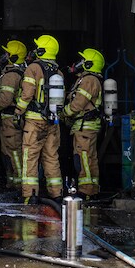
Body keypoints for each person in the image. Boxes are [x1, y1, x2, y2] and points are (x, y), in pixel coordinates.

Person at [15, 34, 64, 202]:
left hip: (35, 121)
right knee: (51, 157)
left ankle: (30, 195)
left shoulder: (33, 68)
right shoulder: (58, 72)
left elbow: (27, 94)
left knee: (30, 156)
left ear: (42, 51)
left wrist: (18, 111)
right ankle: (56, 193)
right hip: (53, 120)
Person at [62, 48, 106, 197]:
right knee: (90, 158)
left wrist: (64, 112)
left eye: (82, 60)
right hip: (88, 127)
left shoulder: (88, 80)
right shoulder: (91, 79)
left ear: (88, 64)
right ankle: (92, 189)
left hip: (84, 128)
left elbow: (78, 103)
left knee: (82, 159)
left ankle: (85, 190)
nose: (78, 63)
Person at [0, 39, 28, 190]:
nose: (4, 55)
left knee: (13, 152)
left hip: (10, 119)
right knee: (10, 152)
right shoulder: (22, 71)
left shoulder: (10, 75)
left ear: (12, 57)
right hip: (16, 119)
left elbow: (5, 100)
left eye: (7, 53)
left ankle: (19, 185)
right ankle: (13, 182)